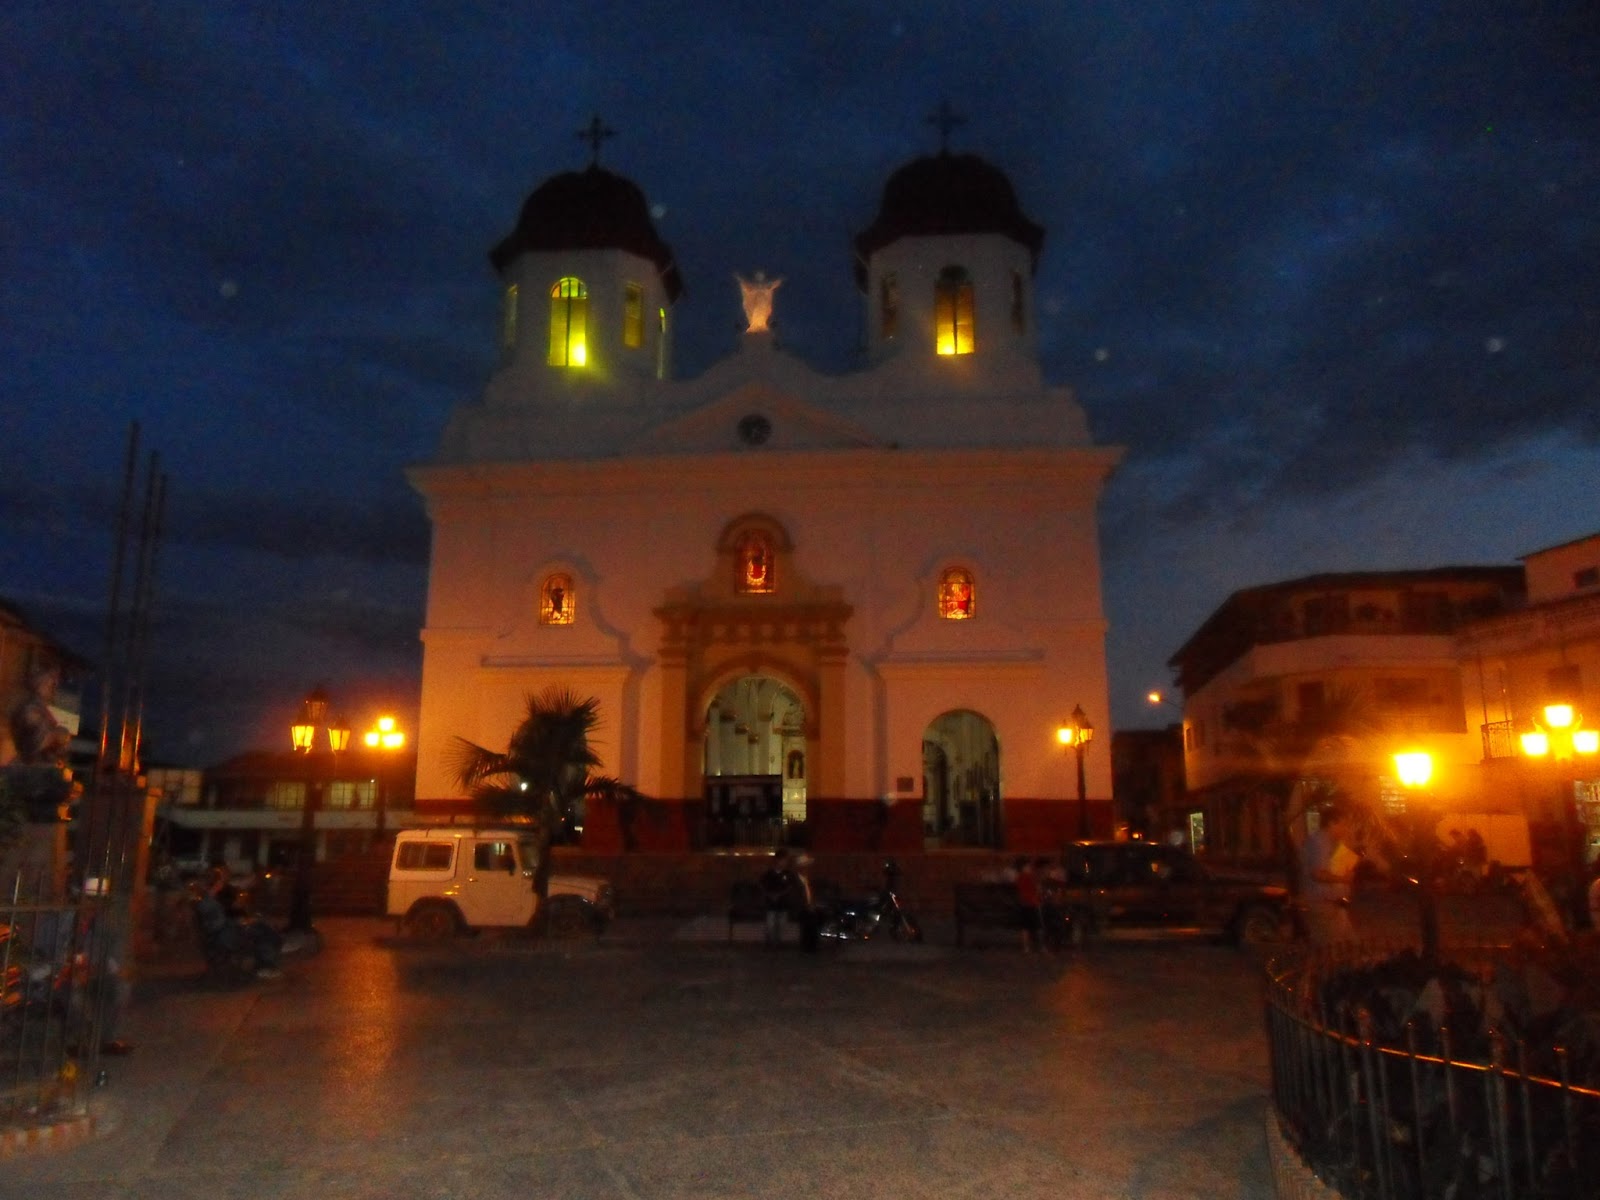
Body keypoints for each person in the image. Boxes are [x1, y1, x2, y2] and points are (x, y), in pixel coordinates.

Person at [196, 866, 284, 978]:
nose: (222, 883)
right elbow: (217, 925)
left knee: (261, 926)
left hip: (224, 933)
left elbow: (221, 918)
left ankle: (267, 961)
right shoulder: (207, 902)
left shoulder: (209, 899)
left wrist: (240, 921)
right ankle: (266, 965)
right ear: (216, 883)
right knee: (262, 930)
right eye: (220, 881)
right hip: (224, 937)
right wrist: (238, 923)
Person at [1299, 806, 1359, 946]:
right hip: (1322, 905)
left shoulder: (1332, 842)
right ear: (1332, 823)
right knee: (1331, 947)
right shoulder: (1319, 843)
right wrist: (1343, 879)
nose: (1346, 828)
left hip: (1334, 905)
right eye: (1344, 824)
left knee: (1348, 944)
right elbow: (1318, 874)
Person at [759, 850, 793, 948]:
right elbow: (762, 886)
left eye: (786, 861)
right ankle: (770, 941)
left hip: (783, 903)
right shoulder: (768, 874)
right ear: (777, 860)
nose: (784, 863)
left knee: (782, 924)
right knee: (770, 924)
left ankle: (777, 941)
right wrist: (771, 895)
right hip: (771, 903)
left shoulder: (788, 874)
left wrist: (780, 895)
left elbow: (790, 887)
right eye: (783, 860)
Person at [790, 853, 823, 953]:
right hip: (800, 908)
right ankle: (808, 945)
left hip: (810, 907)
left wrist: (814, 904)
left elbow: (814, 895)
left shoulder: (810, 880)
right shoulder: (794, 880)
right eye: (805, 866)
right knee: (809, 919)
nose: (807, 869)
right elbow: (795, 897)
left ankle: (813, 944)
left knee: (818, 916)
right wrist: (807, 906)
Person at [1014, 857, 1043, 952]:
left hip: (1023, 903)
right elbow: (1038, 889)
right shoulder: (1031, 877)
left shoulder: (1019, 877)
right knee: (1038, 926)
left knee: (1025, 927)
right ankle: (1040, 946)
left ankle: (1026, 947)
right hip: (1032, 903)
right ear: (1024, 866)